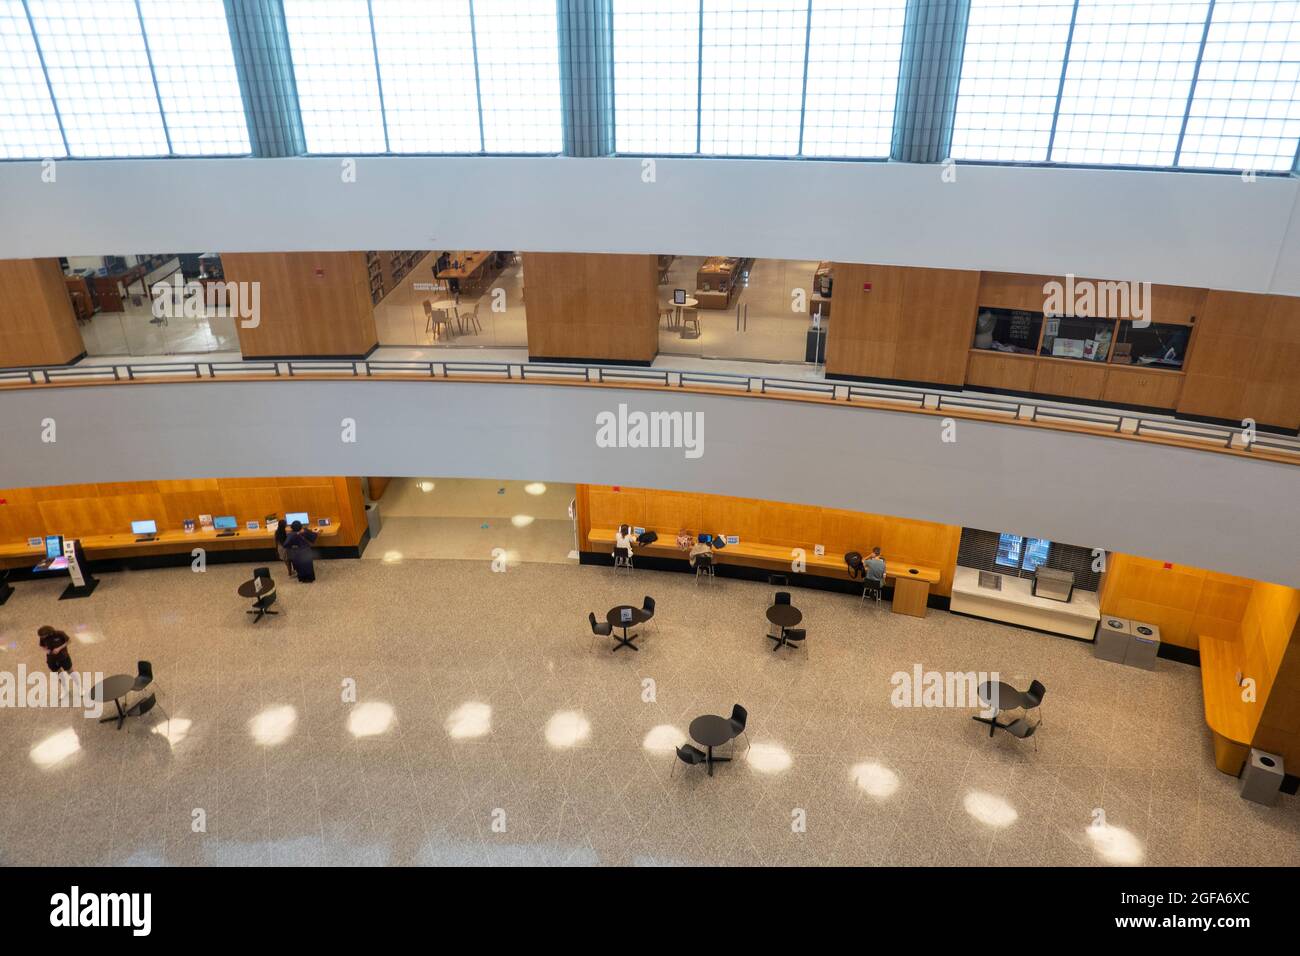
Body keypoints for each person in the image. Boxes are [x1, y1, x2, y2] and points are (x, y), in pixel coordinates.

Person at [37, 625, 79, 701]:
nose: (42, 637)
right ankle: (65, 690)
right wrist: (47, 651)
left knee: (71, 672)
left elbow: (69, 641)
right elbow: (42, 646)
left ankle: (80, 688)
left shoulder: (59, 633)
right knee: (59, 674)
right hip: (52, 659)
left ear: (49, 633)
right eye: (41, 636)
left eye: (43, 635)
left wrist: (59, 648)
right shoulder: (42, 638)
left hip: (63, 657)